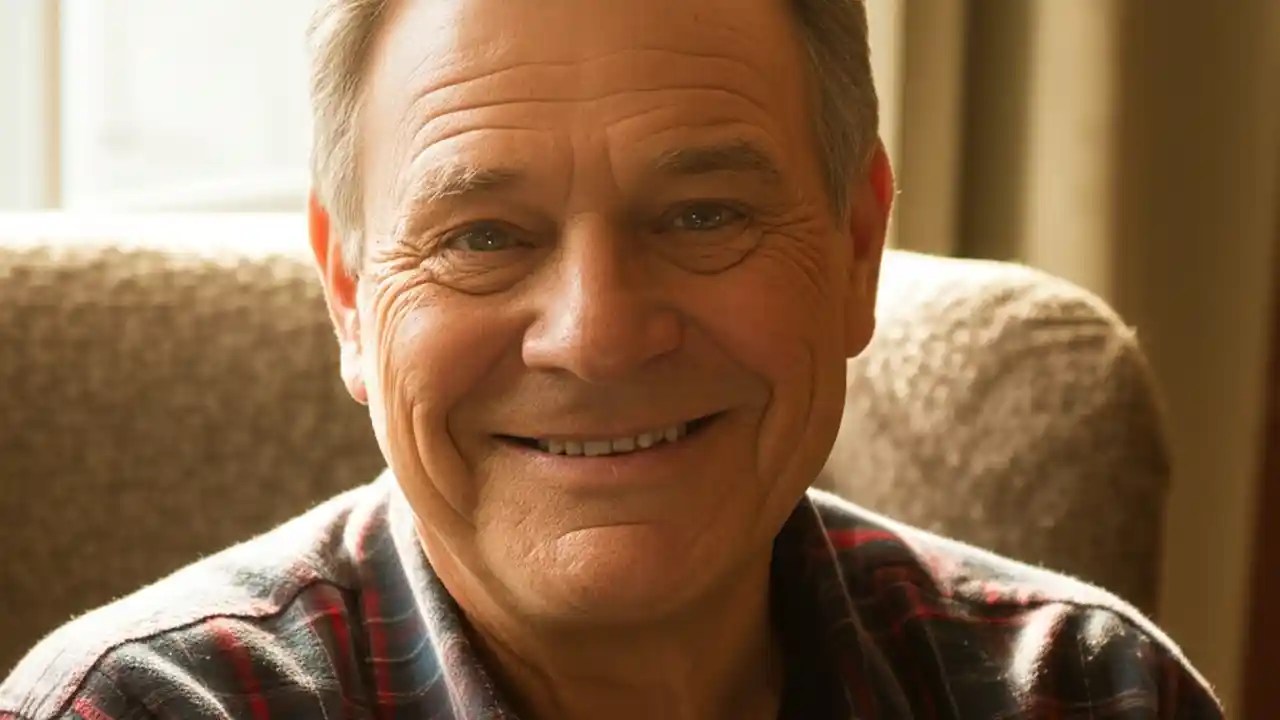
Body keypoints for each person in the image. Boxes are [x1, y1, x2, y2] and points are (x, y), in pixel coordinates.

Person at [0, 0, 1223, 718]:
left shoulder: (1078, 692)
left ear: (856, 248)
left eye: (702, 215)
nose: (594, 333)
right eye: (483, 235)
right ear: (349, 294)